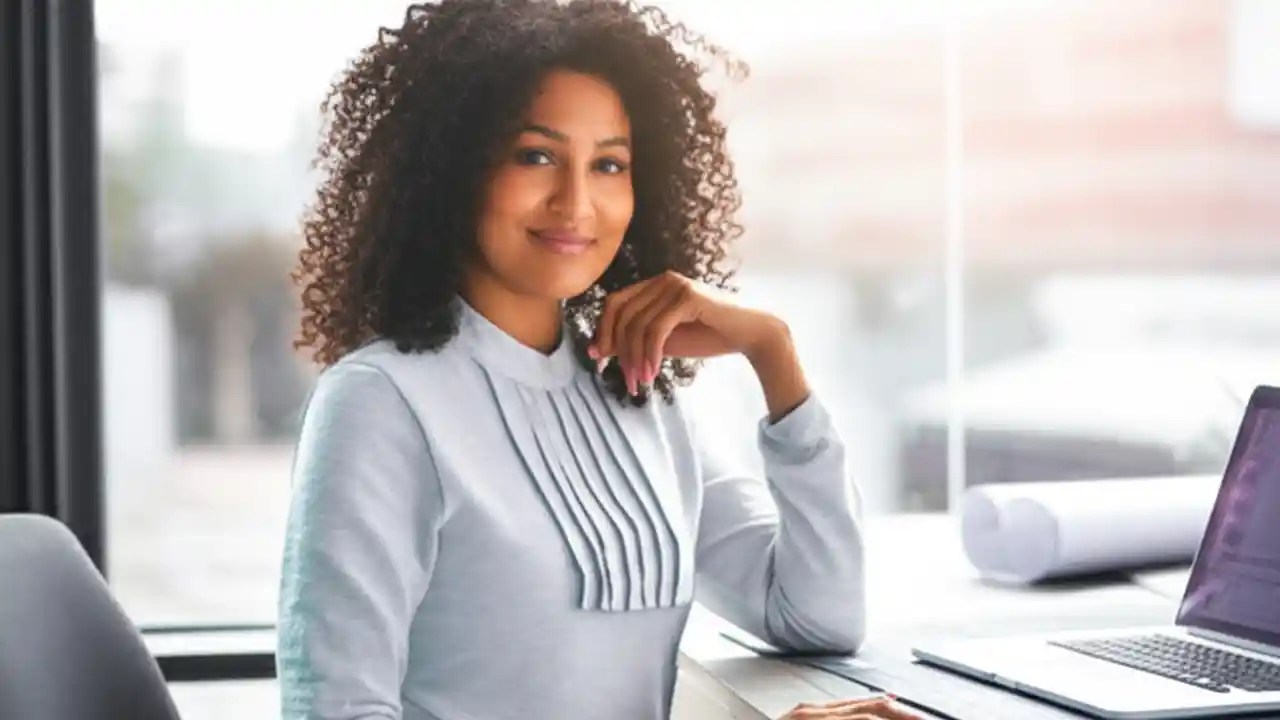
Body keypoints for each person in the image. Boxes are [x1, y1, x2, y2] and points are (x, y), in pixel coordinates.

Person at [279, 1, 920, 719]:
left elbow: (818, 616)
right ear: (451, 169)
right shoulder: (379, 403)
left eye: (609, 164)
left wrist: (771, 350)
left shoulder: (632, 389)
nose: (577, 202)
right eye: (536, 156)